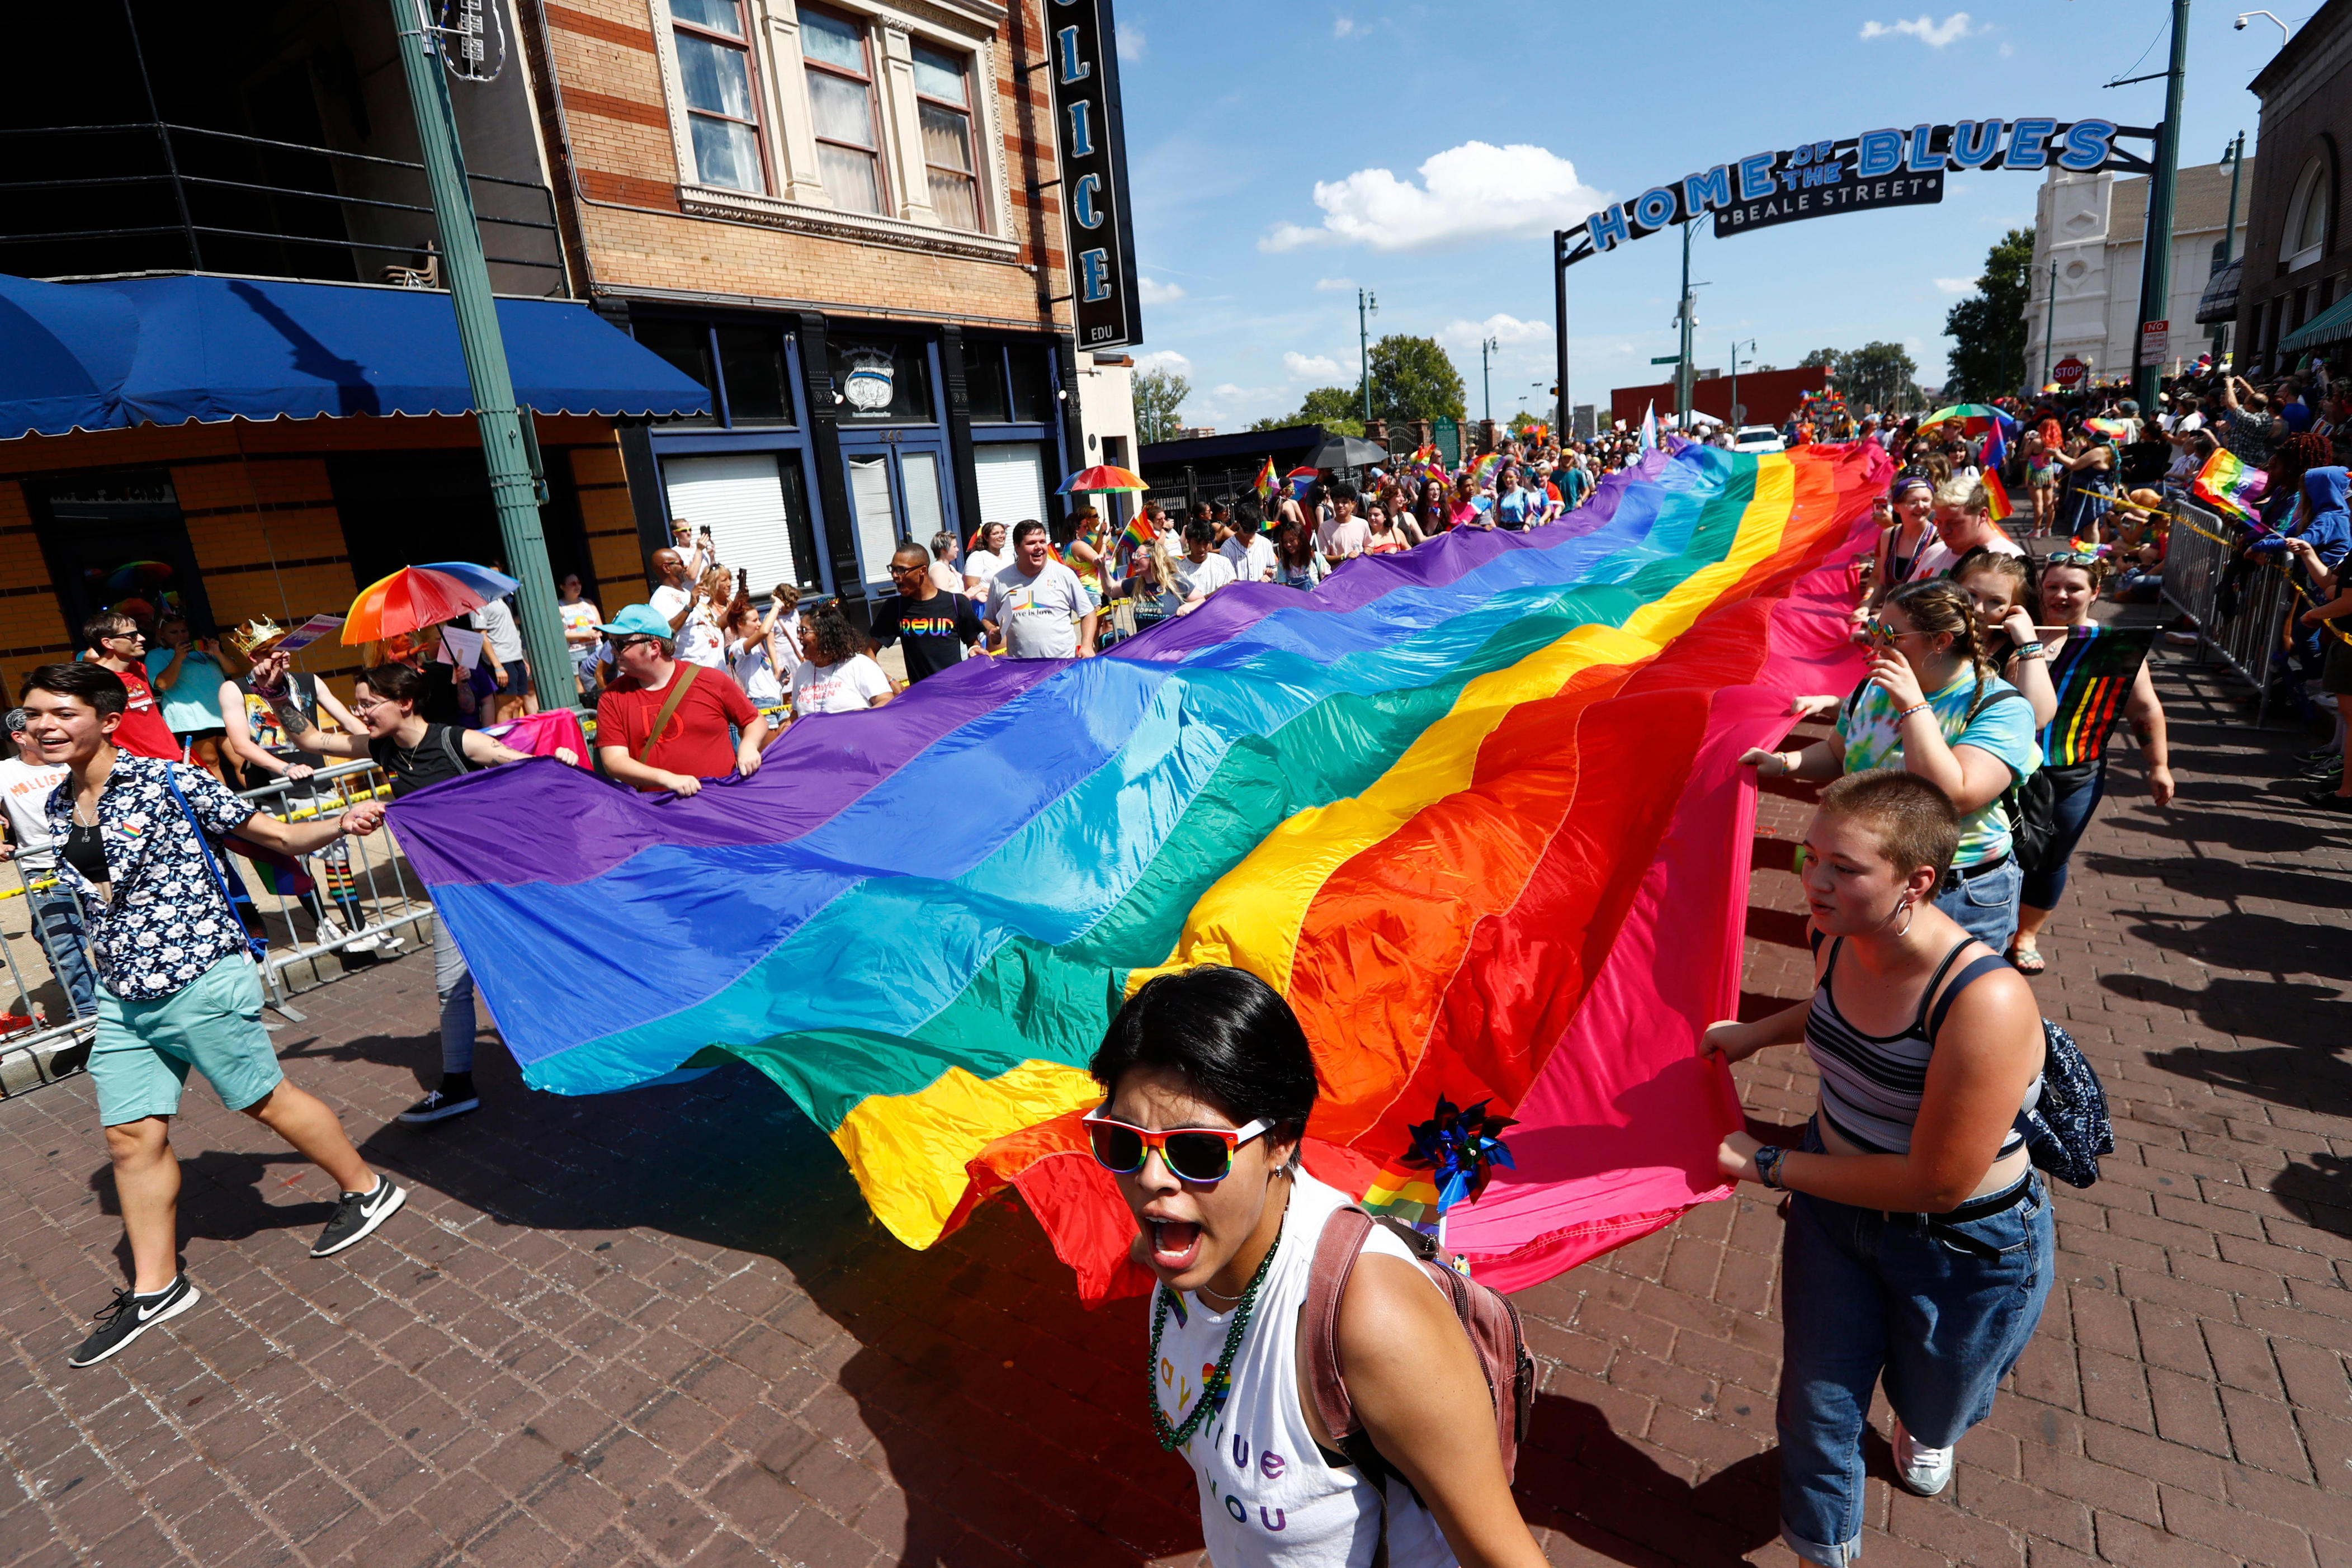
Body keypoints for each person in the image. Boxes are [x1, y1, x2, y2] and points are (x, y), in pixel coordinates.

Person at [18, 662, 410, 1367]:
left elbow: (275, 837)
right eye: (31, 714)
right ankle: (155, 1285)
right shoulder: (56, 804)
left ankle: (367, 1187)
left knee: (262, 1098)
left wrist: (341, 821)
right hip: (124, 990)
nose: (43, 725)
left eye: (60, 712)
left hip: (198, 972)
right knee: (130, 1138)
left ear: (108, 719)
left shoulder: (170, 777)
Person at [1092, 966, 1551, 1568]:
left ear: (1281, 1138)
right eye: (1122, 1142)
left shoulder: (1371, 1322)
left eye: (1198, 1150)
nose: (1151, 1178)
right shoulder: (1183, 1243)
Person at [1706, 771, 2050, 1563]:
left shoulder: (1983, 1001)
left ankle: (1929, 1426)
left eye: (1844, 868)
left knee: (1937, 1401)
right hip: (1833, 1211)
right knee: (1815, 1405)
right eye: (1811, 856)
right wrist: (1755, 1034)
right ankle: (1820, 1550)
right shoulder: (1834, 935)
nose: (1815, 881)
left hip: (1959, 1246)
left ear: (1915, 882)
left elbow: (1936, 1182)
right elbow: (1832, 1013)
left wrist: (1767, 1164)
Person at [249, 652, 559, 1123]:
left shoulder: (459, 741)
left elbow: (523, 768)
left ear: (406, 702)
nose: (359, 713)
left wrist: (556, 763)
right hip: (447, 889)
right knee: (450, 990)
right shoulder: (381, 748)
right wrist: (274, 692)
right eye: (358, 704)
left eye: (369, 704)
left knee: (536, 964)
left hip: (501, 882)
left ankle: (569, 1040)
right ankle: (457, 1084)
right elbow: (310, 737)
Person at [1743, 579, 2041, 951]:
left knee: (1937, 1006)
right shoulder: (1874, 686)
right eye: (1874, 629)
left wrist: (1914, 707)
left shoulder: (2002, 708)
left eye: (1890, 634)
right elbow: (1838, 754)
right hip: (1868, 879)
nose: (1877, 644)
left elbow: (1953, 797)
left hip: (1956, 889)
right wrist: (1781, 763)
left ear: (1941, 641)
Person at [2003, 551, 2175, 971]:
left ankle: (2026, 934)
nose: (2061, 595)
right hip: (2005, 768)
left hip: (2074, 773)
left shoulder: (2114, 647)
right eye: (2052, 586)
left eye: (2074, 587)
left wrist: (2158, 765)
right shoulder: (2011, 634)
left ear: (2095, 592)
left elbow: (2145, 710)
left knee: (2051, 857)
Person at [219, 648, 384, 957]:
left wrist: (381, 746)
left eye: (286, 647)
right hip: (272, 788)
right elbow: (241, 743)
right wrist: (284, 769)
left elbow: (348, 720)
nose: (283, 655)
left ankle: (359, 927)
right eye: (271, 651)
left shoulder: (308, 680)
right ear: (253, 656)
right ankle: (322, 922)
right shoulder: (234, 688)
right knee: (298, 863)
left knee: (338, 857)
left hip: (317, 780)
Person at [592, 604, 768, 794]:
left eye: (620, 644)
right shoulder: (612, 698)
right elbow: (614, 762)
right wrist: (667, 779)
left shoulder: (710, 680)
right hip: (660, 812)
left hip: (723, 804)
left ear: (654, 648)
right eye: (612, 643)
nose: (613, 651)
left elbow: (755, 720)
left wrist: (749, 746)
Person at [0, 745, 97, 1020]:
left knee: (120, 936)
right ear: (19, 737)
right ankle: (89, 1013)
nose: (49, 728)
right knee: (62, 944)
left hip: (95, 862)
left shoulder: (77, 759)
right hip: (43, 870)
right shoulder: (4, 771)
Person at [1950, 550, 2057, 728]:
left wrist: (2029, 643)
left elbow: (2038, 718)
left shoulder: (2012, 655)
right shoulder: (1925, 634)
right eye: (1972, 594)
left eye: (1995, 601)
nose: (1978, 608)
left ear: (2013, 610)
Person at [872, 542, 983, 684]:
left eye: (901, 570)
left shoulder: (956, 602)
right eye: (893, 569)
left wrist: (975, 650)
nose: (895, 576)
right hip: (921, 699)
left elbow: (973, 643)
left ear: (923, 571)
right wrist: (890, 681)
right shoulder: (895, 607)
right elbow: (869, 654)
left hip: (956, 694)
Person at [986, 520, 1098, 659]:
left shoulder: (1064, 574)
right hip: (1023, 671)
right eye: (1031, 543)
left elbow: (1088, 613)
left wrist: (1087, 645)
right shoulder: (1000, 580)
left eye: (1042, 542)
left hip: (1062, 666)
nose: (1039, 547)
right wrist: (992, 632)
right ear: (1017, 547)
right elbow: (988, 619)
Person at [81, 612, 181, 761]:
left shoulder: (138, 668)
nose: (141, 638)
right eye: (132, 635)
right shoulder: (95, 680)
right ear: (108, 643)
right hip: (137, 767)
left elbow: (93, 654)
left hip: (172, 758)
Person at [145, 615, 233, 778]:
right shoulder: (156, 655)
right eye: (174, 632)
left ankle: (260, 800)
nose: (181, 635)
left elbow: (232, 670)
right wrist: (178, 658)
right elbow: (163, 685)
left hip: (222, 715)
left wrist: (218, 654)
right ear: (162, 634)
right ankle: (224, 804)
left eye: (184, 631)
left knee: (243, 758)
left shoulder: (201, 651)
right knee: (210, 763)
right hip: (190, 720)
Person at [1907, 477, 2025, 582]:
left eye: (1954, 523)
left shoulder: (2011, 560)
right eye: (1939, 522)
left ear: (1983, 515)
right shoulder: (1932, 553)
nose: (1944, 531)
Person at [789, 599, 895, 715]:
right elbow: (795, 717)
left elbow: (887, 701)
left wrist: (859, 718)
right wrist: (786, 727)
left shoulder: (859, 664)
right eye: (798, 630)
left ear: (824, 634)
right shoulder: (802, 672)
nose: (799, 636)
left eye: (804, 631)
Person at [468, 577, 532, 721]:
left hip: (514, 656)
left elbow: (506, 629)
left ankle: (516, 740)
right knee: (507, 705)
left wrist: (520, 657)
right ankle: (504, 740)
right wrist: (498, 666)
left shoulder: (499, 598)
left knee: (518, 703)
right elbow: (481, 635)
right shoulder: (479, 601)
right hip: (501, 659)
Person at [723, 589, 794, 708]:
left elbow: (759, 681)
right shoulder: (737, 647)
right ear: (740, 624)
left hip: (775, 700)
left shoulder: (756, 647)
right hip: (762, 703)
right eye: (755, 620)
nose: (759, 624)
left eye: (759, 620)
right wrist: (776, 606)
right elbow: (764, 631)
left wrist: (778, 681)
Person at [1873, 478, 1935, 598]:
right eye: (1913, 502)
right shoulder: (1888, 536)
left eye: (1926, 500)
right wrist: (1867, 604)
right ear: (1896, 507)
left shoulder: (1939, 540)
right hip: (1889, 607)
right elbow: (1882, 585)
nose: (1920, 506)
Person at [557, 573, 604, 701]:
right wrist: (585, 634)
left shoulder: (588, 603)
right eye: (573, 584)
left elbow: (600, 625)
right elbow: (561, 634)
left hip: (596, 650)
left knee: (600, 680)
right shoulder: (559, 607)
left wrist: (597, 632)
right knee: (580, 687)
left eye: (579, 582)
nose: (577, 586)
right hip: (575, 653)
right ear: (563, 587)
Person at [1221, 499, 1277, 584]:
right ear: (1239, 523)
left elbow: (1273, 569)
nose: (1250, 534)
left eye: (1253, 530)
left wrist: (1269, 574)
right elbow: (1227, 581)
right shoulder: (1227, 548)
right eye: (1246, 530)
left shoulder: (1265, 544)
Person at [1316, 483, 1373, 566]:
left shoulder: (1363, 524)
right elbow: (1323, 558)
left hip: (1361, 572)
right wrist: (1344, 557)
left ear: (1353, 504)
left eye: (1345, 502)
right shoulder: (1324, 528)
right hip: (1338, 576)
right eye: (1337, 502)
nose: (1340, 505)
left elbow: (1369, 547)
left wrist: (1368, 550)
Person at [1271, 519, 1326, 589]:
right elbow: (1283, 590)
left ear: (1301, 539)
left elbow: (1328, 583)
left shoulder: (1316, 558)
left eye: (1292, 540)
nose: (1288, 545)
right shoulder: (1283, 563)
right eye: (1285, 542)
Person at [963, 521, 1010, 595]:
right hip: (987, 603)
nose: (1001, 536)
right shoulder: (978, 557)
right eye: (996, 534)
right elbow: (972, 585)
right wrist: (996, 593)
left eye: (1003, 532)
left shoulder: (1009, 556)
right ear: (986, 538)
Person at [927, 530, 964, 596]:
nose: (957, 549)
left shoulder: (950, 568)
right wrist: (968, 596)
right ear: (944, 550)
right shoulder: (938, 571)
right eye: (954, 547)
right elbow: (943, 600)